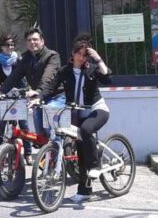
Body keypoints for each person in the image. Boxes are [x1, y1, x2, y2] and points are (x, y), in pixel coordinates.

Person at [30, 34, 111, 202]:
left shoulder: (91, 68)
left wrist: (98, 59)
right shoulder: (65, 71)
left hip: (97, 110)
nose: (81, 58)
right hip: (77, 112)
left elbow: (107, 78)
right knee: (80, 150)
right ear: (73, 53)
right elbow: (50, 87)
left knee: (86, 130)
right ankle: (84, 191)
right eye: (79, 54)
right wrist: (38, 97)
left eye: (85, 55)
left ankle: (95, 165)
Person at [5, 27, 63, 138]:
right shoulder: (25, 58)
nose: (32, 42)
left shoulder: (52, 56)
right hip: (38, 99)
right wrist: (2, 91)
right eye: (29, 40)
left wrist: (38, 91)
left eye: (35, 39)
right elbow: (14, 76)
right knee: (40, 136)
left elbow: (48, 77)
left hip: (55, 97)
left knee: (51, 133)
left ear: (42, 41)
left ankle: (57, 147)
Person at [0, 34, 28, 152]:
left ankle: (28, 152)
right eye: (7, 45)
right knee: (1, 123)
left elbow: (23, 76)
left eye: (12, 45)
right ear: (1, 47)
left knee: (23, 123)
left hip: (18, 93)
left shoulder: (19, 58)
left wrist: (25, 90)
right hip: (4, 93)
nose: (10, 47)